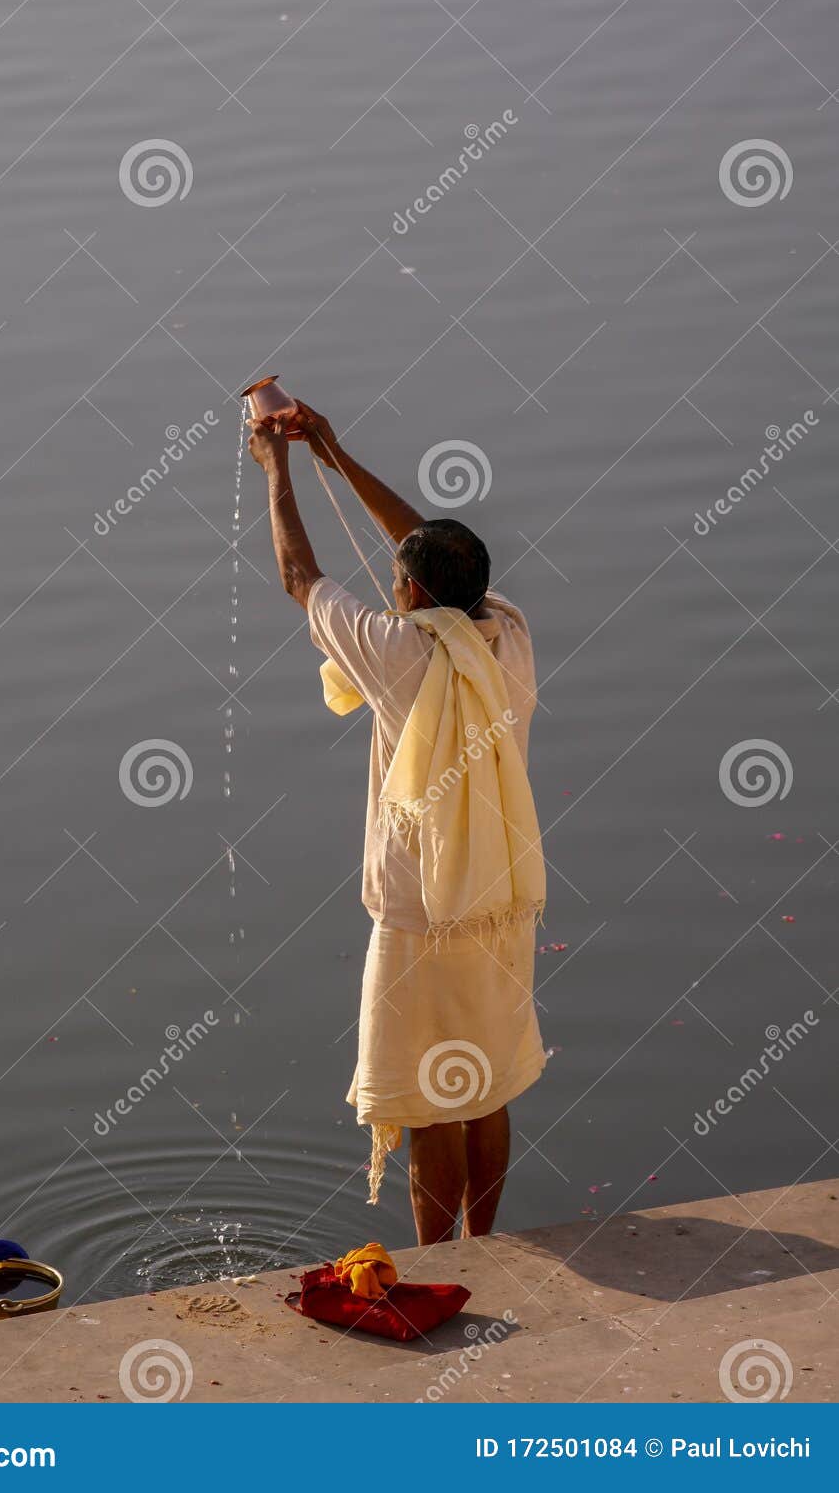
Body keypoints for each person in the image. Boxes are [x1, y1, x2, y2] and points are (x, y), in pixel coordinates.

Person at [249, 403, 547, 1245]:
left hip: (422, 913)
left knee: (427, 1102)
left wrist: (276, 467)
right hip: (503, 901)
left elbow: (298, 576)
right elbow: (427, 545)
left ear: (411, 593)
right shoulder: (507, 636)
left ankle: (430, 1266)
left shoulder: (398, 652)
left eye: (399, 578)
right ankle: (482, 1248)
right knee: (483, 1089)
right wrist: (332, 453)